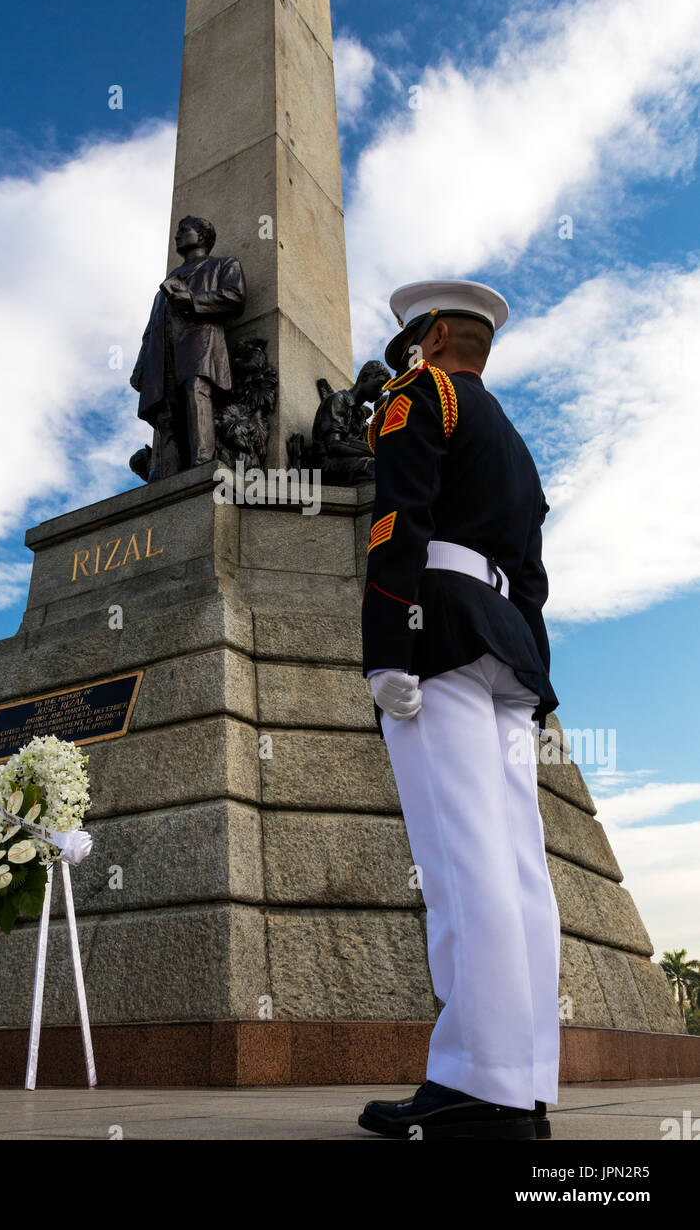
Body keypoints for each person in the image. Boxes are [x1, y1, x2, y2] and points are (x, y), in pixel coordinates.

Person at [358, 279, 561, 1142]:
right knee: (519, 868)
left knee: (460, 860)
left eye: (412, 339)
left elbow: (397, 519)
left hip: (436, 629)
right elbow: (536, 581)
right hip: (507, 648)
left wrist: (386, 649)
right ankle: (522, 1082)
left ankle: (475, 1082)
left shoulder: (420, 395)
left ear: (433, 335)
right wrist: (542, 687)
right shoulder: (515, 442)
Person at [130, 216, 246, 480]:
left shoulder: (224, 265)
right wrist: (140, 365)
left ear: (202, 236)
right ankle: (167, 475)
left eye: (184, 231)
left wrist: (192, 301)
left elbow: (235, 297)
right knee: (165, 411)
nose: (177, 236)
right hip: (162, 354)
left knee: (196, 393)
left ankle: (201, 464)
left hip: (199, 344)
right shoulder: (165, 285)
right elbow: (150, 330)